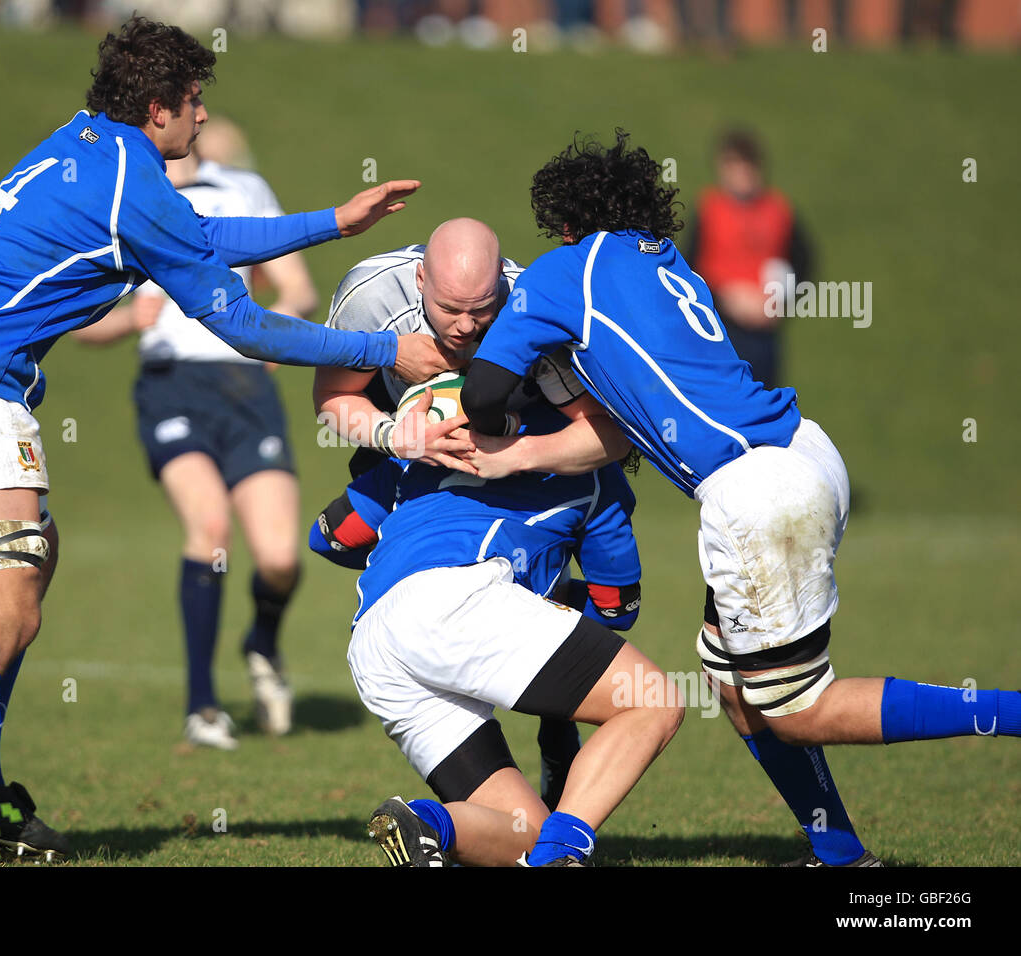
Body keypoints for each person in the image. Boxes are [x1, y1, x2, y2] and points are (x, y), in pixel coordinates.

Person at [0, 15, 450, 867]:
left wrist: (330, 224)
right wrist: (385, 349)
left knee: (30, 568)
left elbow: (191, 236)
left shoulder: (86, 142)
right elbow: (240, 322)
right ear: (159, 106)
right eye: (195, 103)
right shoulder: (135, 183)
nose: (202, 119)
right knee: (9, 608)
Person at [459, 130, 1021, 866]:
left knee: (796, 707)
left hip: (757, 493)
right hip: (804, 451)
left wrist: (503, 422)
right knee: (733, 684)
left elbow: (483, 390)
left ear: (565, 223)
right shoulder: (664, 260)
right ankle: (841, 854)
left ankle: (1008, 713)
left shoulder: (568, 269)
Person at [312, 219, 638, 807]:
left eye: (483, 310)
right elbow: (333, 398)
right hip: (400, 444)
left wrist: (515, 453)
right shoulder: (372, 296)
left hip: (515, 455)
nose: (466, 327)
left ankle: (537, 731)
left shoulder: (535, 314)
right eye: (449, 310)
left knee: (524, 837)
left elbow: (608, 433)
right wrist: (399, 436)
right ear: (418, 282)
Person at [342, 400, 678, 867]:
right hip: (458, 597)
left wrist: (409, 539)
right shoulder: (596, 468)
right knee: (652, 701)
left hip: (374, 640)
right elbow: (615, 606)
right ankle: (565, 856)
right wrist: (550, 594)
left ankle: (426, 824)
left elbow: (333, 535)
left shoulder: (436, 434)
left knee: (529, 834)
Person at [73, 140, 318, 747]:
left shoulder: (244, 188)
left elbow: (298, 291)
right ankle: (203, 707)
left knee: (281, 559)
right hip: (171, 388)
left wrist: (267, 341)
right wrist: (129, 320)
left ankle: (262, 639)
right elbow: (78, 320)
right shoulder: (123, 195)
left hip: (242, 382)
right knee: (210, 531)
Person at [685, 129, 812, 387]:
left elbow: (803, 262)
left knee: (767, 401)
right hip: (719, 327)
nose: (741, 174)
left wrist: (780, 300)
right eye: (733, 166)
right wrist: (724, 298)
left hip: (764, 332)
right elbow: (688, 269)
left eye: (746, 165)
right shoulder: (709, 208)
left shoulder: (778, 210)